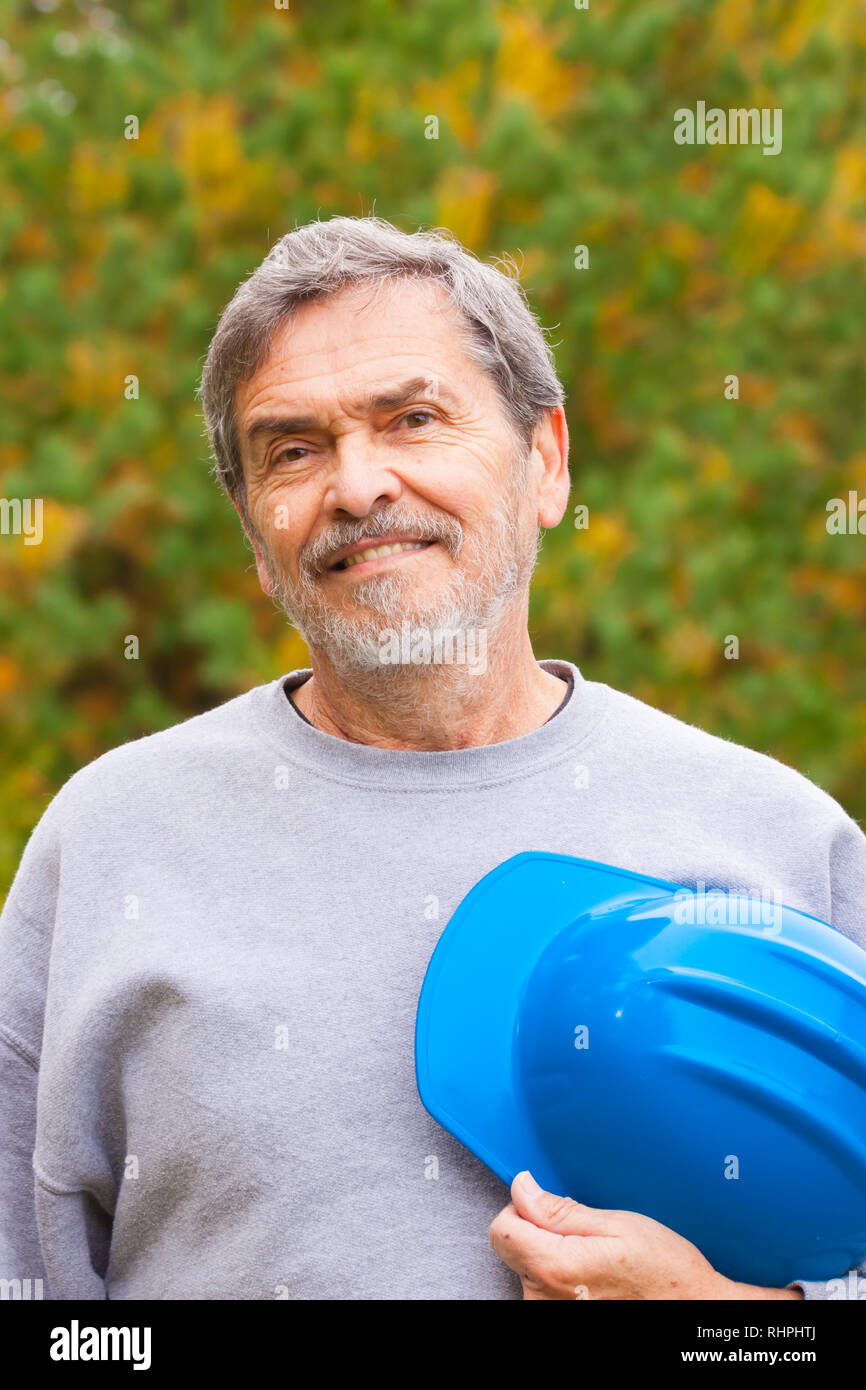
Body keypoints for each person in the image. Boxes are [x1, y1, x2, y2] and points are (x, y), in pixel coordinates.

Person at [1, 215, 864, 1300]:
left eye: (411, 418)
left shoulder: (776, 837)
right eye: (294, 448)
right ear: (252, 536)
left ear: (544, 462)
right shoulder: (111, 841)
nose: (358, 486)